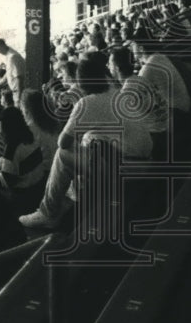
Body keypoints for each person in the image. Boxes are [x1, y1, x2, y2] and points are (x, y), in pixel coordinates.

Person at [18, 54, 150, 230]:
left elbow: (63, 143)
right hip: (144, 162)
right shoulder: (118, 93)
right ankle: (66, 203)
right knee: (89, 142)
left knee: (64, 154)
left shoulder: (87, 103)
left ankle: (48, 213)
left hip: (127, 169)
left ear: (80, 83)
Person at [0, 38, 26, 104]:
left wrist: (19, 97)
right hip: (16, 91)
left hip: (18, 92)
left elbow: (19, 77)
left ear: (2, 46)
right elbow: (8, 73)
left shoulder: (12, 57)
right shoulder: (8, 56)